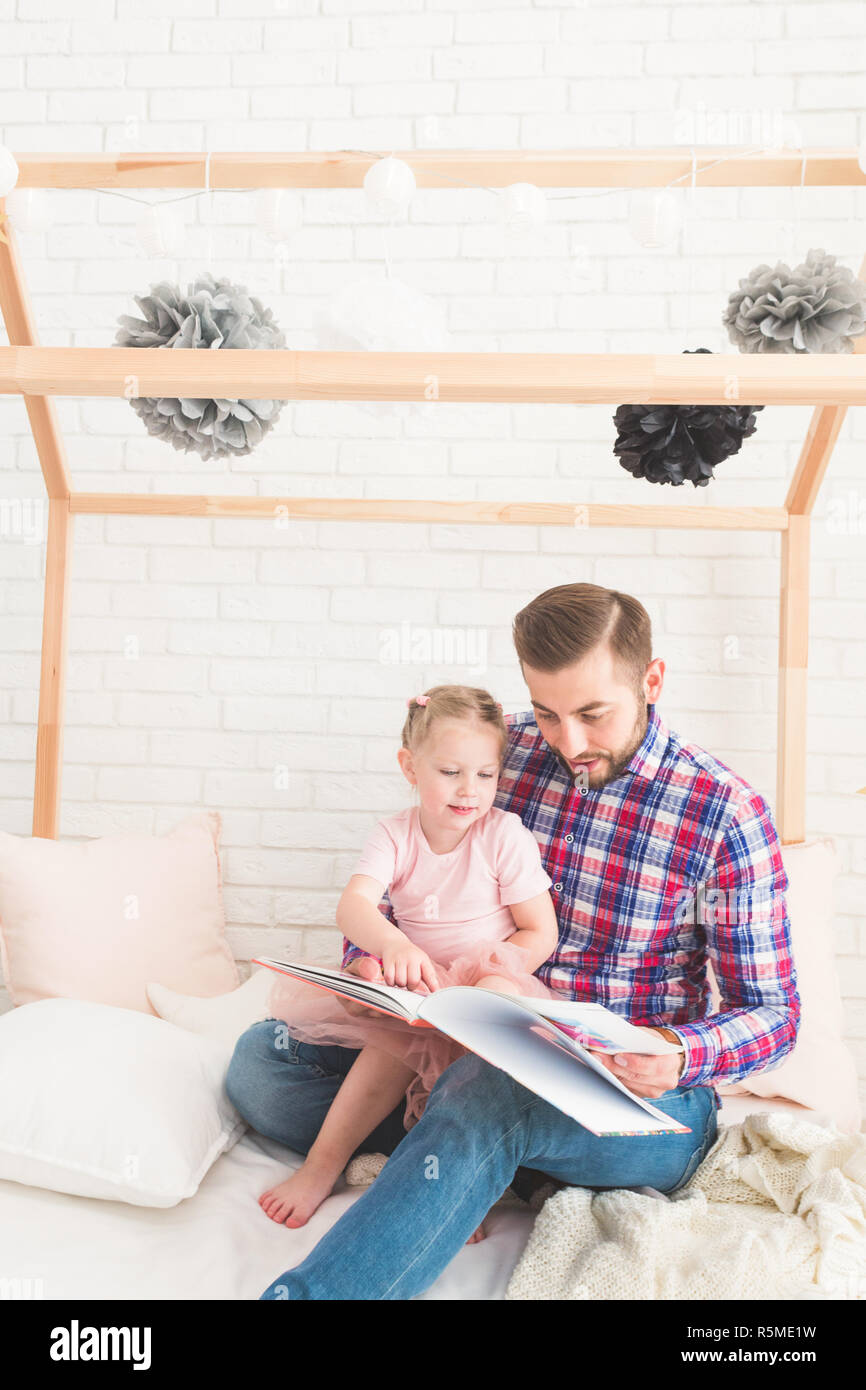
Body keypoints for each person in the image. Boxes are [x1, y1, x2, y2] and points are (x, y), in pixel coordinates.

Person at [226, 581, 800, 1301]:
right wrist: (375, 967)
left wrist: (678, 1054)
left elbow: (775, 1014)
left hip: (640, 1102)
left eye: (594, 714)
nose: (570, 742)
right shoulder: (500, 756)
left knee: (488, 1088)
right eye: (548, 713)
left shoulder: (725, 813)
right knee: (260, 1067)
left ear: (651, 681)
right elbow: (414, 886)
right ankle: (477, 1161)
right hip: (469, 1039)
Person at [254, 684, 559, 1240]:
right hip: (418, 986)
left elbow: (542, 930)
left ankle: (467, 1183)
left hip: (487, 981)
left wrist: (498, 971)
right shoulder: (395, 835)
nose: (470, 790)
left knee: (482, 1059)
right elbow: (353, 906)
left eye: (485, 775)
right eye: (450, 772)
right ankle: (322, 1166)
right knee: (384, 1052)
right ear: (410, 767)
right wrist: (392, 945)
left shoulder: (502, 835)